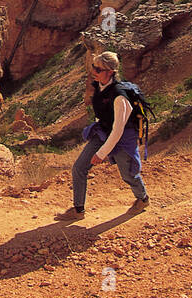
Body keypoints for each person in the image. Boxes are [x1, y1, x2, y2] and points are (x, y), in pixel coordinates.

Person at [55, 51, 149, 221]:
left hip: (121, 137)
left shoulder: (120, 96)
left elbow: (118, 130)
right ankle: (78, 210)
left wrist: (101, 153)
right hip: (103, 132)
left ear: (110, 72)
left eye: (98, 69)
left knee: (128, 174)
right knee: (79, 168)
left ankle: (142, 199)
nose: (94, 71)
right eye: (93, 67)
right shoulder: (100, 86)